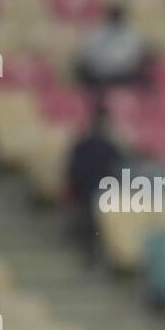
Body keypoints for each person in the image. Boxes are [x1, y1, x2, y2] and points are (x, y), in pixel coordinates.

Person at [65, 104, 124, 267]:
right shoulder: (87, 144)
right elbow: (74, 170)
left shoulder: (108, 146)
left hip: (102, 192)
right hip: (90, 190)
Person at [73, 4, 149, 87]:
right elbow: (87, 53)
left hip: (122, 75)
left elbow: (132, 58)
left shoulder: (129, 35)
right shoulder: (98, 31)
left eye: (116, 17)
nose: (114, 20)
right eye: (112, 16)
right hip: (97, 74)